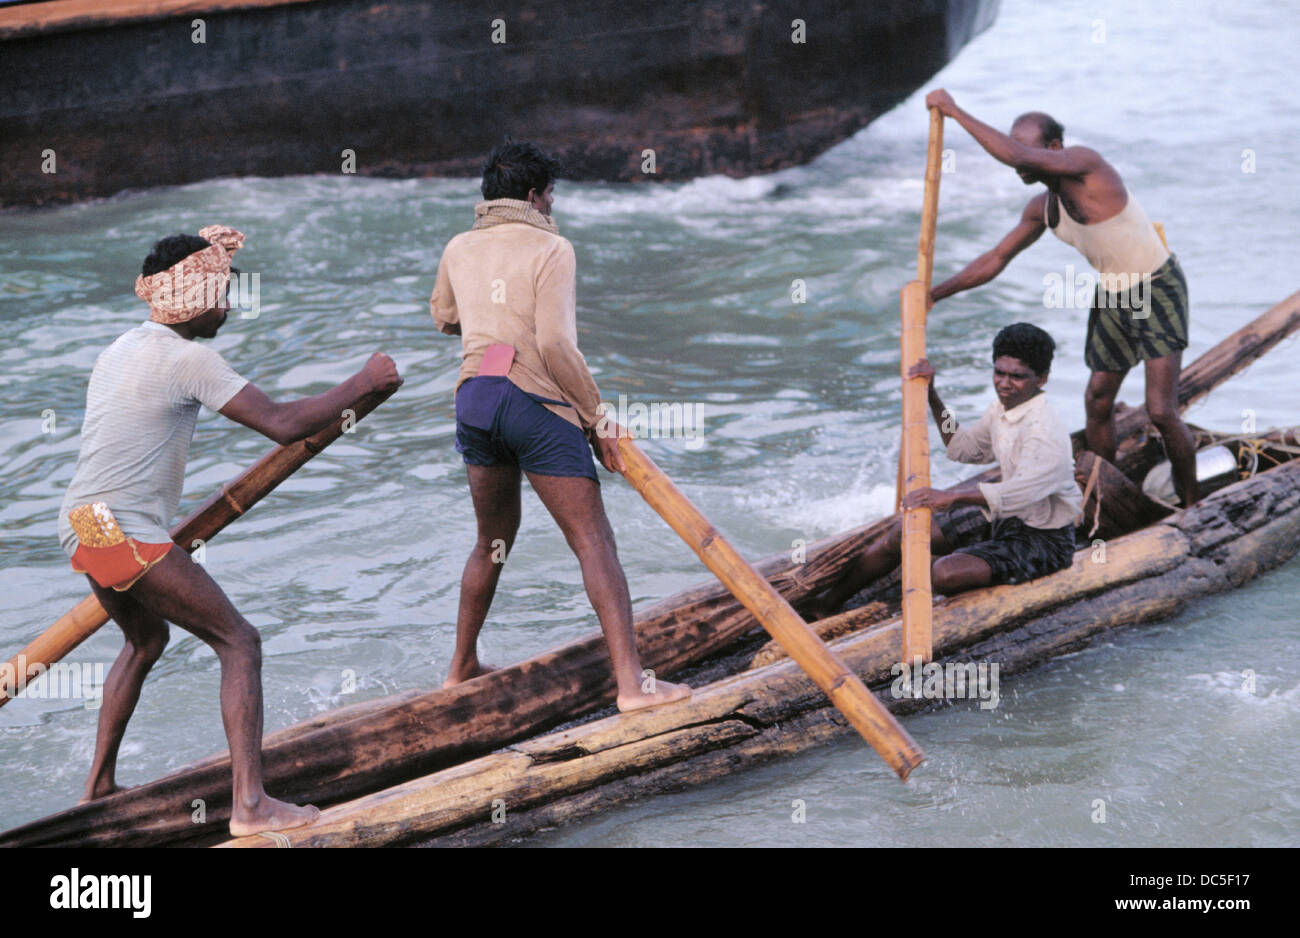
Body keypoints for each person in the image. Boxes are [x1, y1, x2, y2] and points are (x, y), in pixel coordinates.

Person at [59, 225, 402, 837]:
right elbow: (281, 423)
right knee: (239, 641)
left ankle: (98, 787)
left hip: (80, 520)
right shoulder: (190, 357)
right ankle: (250, 805)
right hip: (120, 527)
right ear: (193, 301)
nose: (227, 308)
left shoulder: (121, 347)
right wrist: (363, 383)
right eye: (221, 295)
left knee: (145, 641)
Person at [430, 141, 690, 712]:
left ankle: (460, 667)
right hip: (533, 404)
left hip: (476, 396)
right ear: (533, 196)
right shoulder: (551, 246)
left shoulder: (459, 246)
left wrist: (491, 321)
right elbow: (553, 344)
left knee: (491, 542)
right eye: (551, 195)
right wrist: (598, 418)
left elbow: (445, 317)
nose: (553, 206)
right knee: (595, 542)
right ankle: (631, 687)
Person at [924, 88, 1199, 506]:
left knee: (1160, 410)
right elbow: (997, 257)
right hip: (1113, 296)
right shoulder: (1043, 208)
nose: (1020, 159)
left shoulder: (1087, 166)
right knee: (1097, 399)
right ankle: (1104, 496)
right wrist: (935, 294)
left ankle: (1193, 499)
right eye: (1016, 145)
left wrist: (954, 110)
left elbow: (1015, 156)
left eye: (1028, 147)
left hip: (1156, 286)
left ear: (1055, 148)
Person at [809, 323, 1083, 615]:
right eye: (999, 373)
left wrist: (952, 497)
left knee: (944, 574)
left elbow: (1020, 493)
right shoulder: (1001, 409)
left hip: (1043, 539)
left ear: (1041, 379)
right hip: (1004, 516)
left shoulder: (1045, 432)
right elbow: (963, 446)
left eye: (1017, 377)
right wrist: (932, 396)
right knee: (904, 531)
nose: (1004, 383)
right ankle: (826, 603)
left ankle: (983, 588)